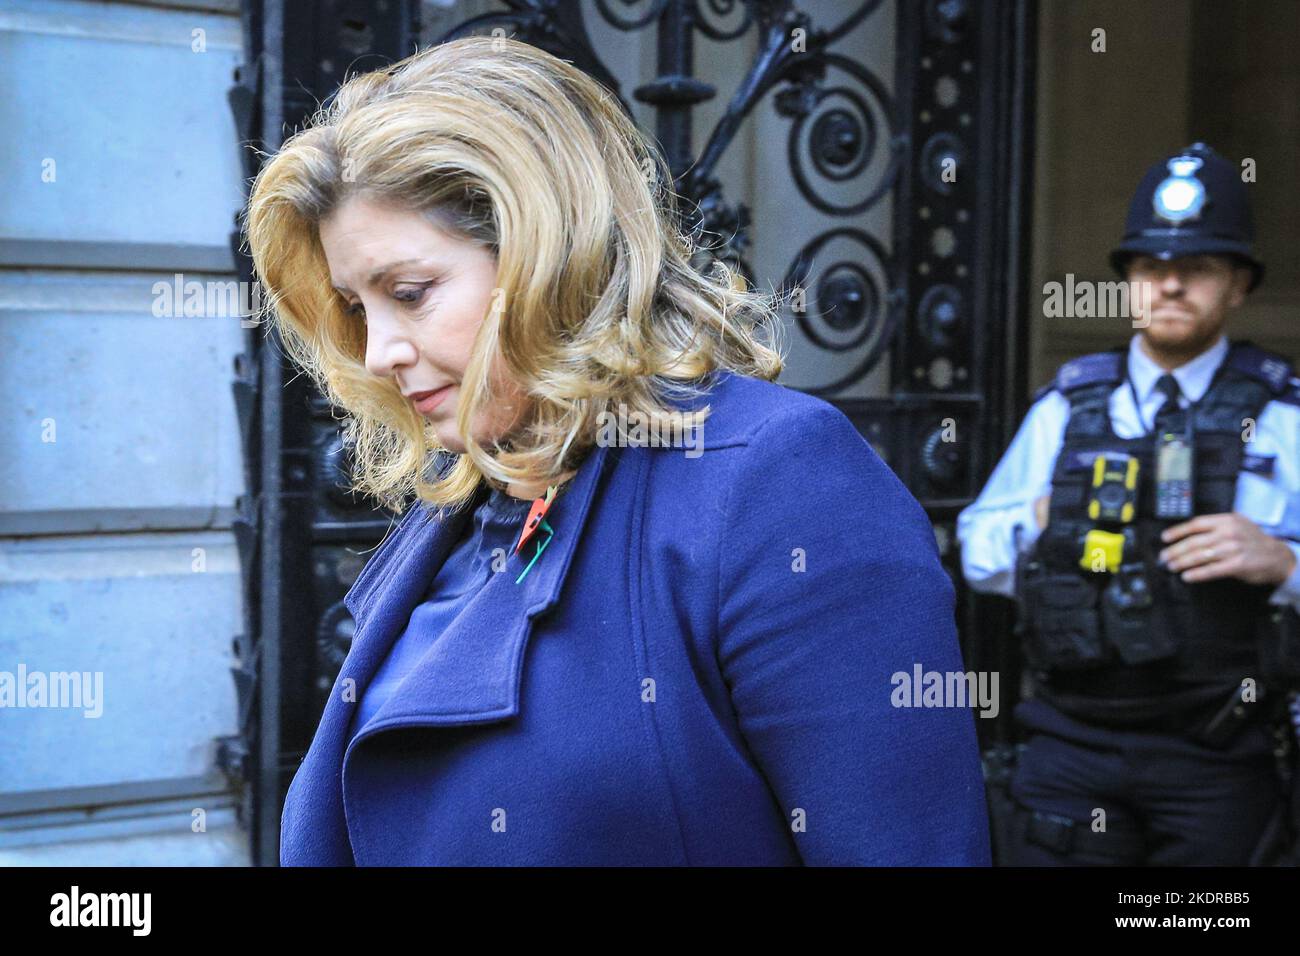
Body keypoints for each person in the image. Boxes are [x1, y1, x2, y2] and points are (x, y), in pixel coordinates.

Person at [244, 36, 991, 866]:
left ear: (549, 250)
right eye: (356, 306)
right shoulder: (465, 498)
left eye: (410, 293)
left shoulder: (779, 482)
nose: (379, 348)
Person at [959, 142, 1300, 865]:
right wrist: (1044, 526)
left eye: (1197, 268)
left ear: (1239, 285)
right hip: (1071, 744)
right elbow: (978, 548)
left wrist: (1284, 561)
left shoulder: (1281, 415)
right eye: (1150, 269)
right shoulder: (1068, 406)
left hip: (1218, 753)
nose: (1170, 286)